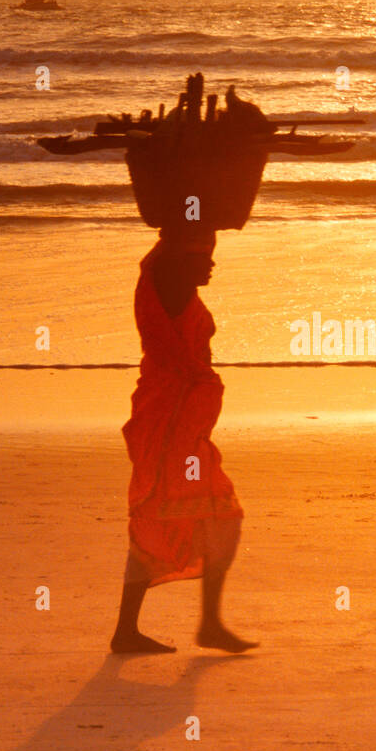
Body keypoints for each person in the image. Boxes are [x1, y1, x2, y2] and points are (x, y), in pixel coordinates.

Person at [110, 221, 257, 656]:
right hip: (171, 428)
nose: (212, 265)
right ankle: (194, 625)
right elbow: (175, 240)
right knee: (195, 516)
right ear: (179, 261)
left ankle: (194, 624)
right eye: (204, 257)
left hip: (180, 425)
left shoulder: (177, 294)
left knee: (206, 515)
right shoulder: (170, 292)